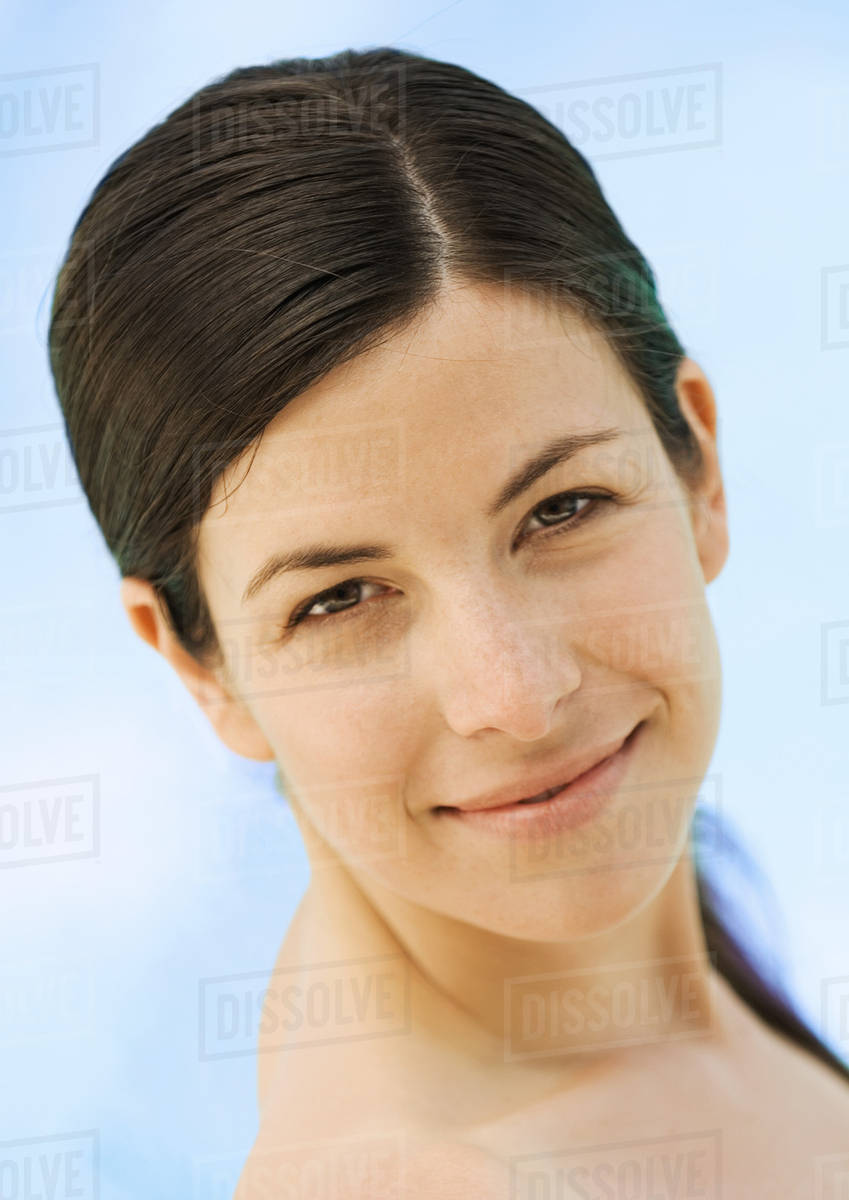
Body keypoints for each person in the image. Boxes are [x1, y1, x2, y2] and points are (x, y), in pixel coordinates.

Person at [48, 46, 849, 1197]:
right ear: (197, 663)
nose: (516, 695)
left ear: (700, 468)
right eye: (338, 600)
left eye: (562, 509)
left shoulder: (669, 988)